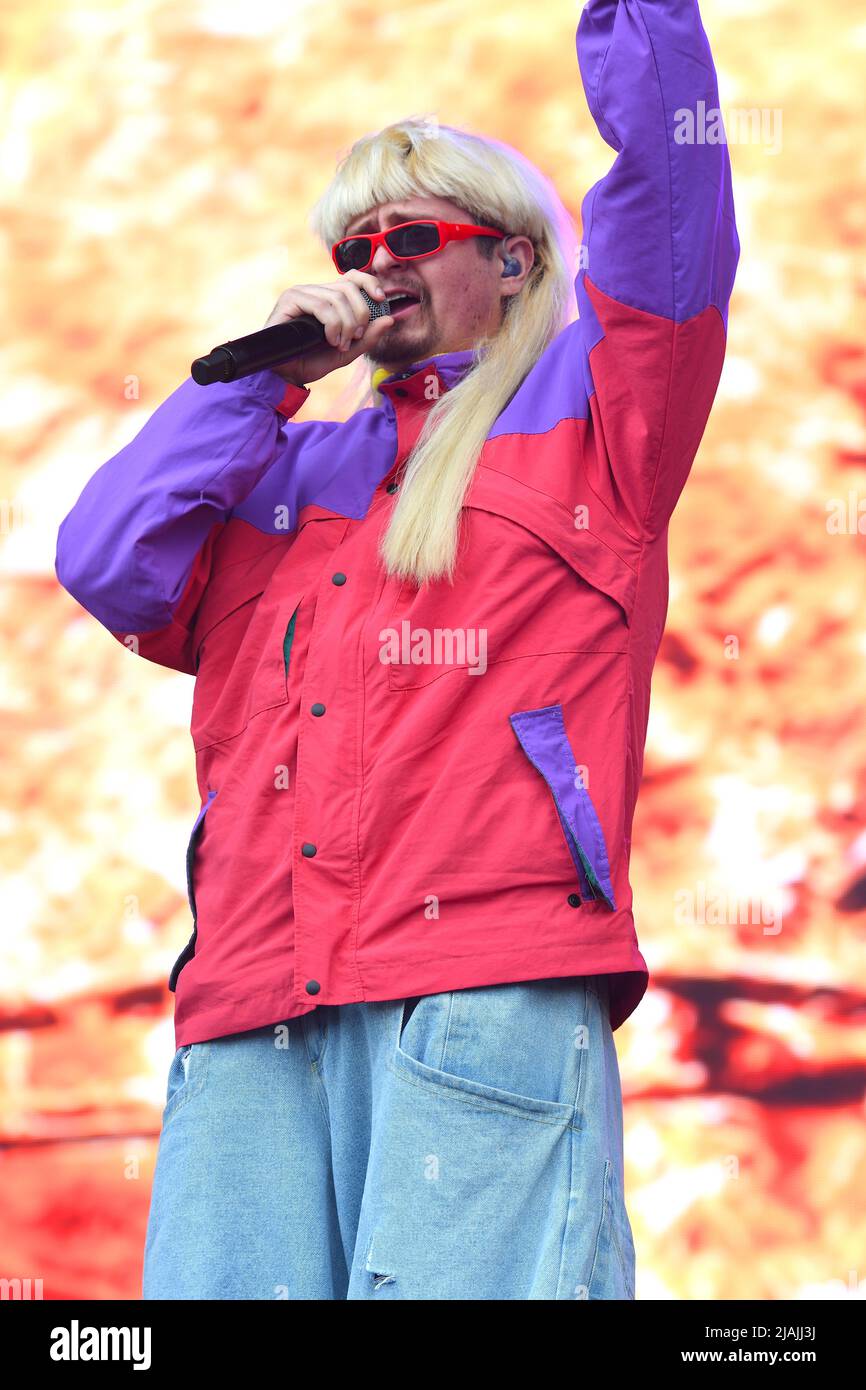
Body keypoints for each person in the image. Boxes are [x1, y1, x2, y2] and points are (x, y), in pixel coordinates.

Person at [55, 1, 738, 1300]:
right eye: (354, 244)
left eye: (412, 236)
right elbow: (107, 561)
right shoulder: (281, 471)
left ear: (516, 260)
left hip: (478, 990)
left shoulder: (597, 417)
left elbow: (673, 189)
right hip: (251, 1015)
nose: (376, 264)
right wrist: (256, 379)